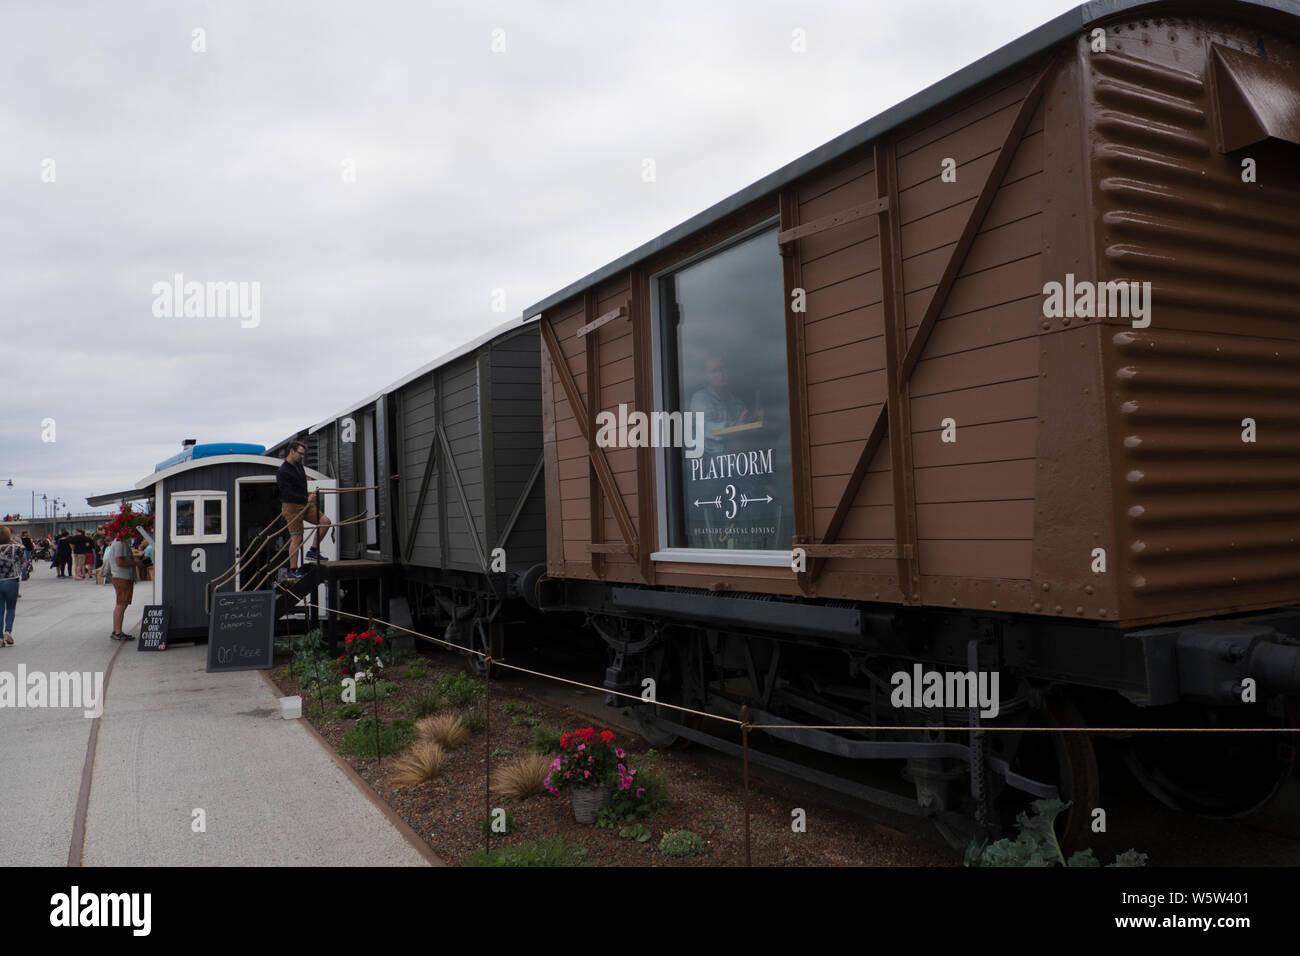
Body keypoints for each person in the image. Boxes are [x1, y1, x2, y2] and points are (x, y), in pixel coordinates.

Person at [276, 440, 331, 579]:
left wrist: (307, 497)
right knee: (297, 538)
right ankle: (292, 570)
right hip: (291, 506)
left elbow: (300, 487)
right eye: (300, 453)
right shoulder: (282, 471)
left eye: (303, 454)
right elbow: (286, 493)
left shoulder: (299, 466)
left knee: (325, 521)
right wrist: (305, 498)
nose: (302, 456)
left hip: (304, 503)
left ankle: (312, 550)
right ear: (291, 451)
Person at [689, 355, 753, 455]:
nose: (721, 374)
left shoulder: (737, 402)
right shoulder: (700, 398)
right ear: (706, 376)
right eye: (715, 371)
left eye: (723, 369)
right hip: (708, 459)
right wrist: (735, 428)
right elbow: (705, 427)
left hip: (737, 456)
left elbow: (745, 431)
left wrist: (752, 420)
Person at [107, 531, 144, 640]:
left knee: (122, 604)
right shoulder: (120, 543)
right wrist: (136, 563)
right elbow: (120, 562)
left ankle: (117, 631)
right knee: (121, 604)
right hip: (122, 577)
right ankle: (118, 632)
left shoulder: (120, 542)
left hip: (122, 577)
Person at [0, 527, 25, 645]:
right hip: (11, 580)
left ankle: (0, 638)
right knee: (10, 608)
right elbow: (23, 549)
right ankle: (8, 632)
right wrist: (13, 542)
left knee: (0, 610)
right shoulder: (15, 548)